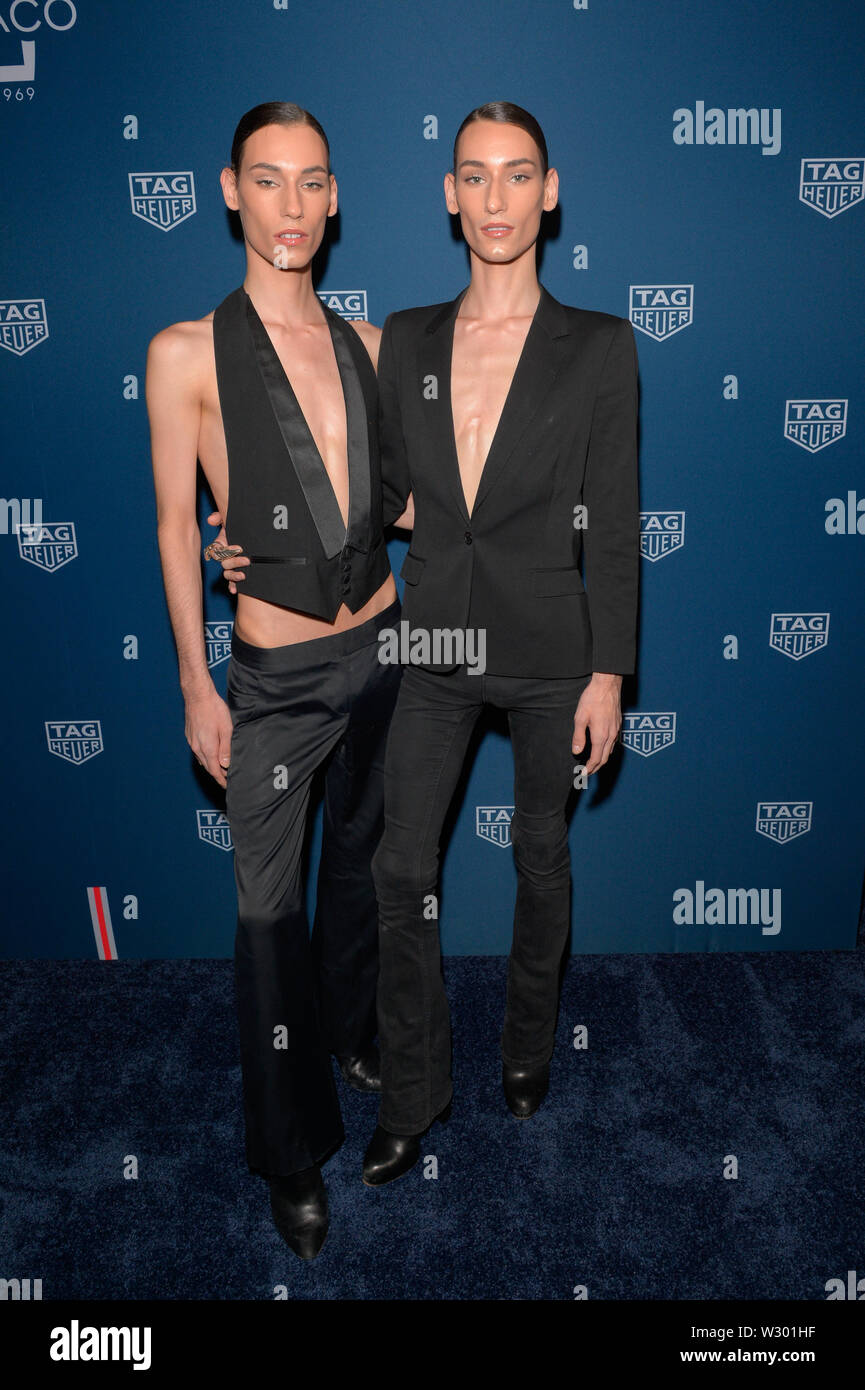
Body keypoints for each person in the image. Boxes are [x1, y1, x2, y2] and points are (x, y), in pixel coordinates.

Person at [216, 101, 640, 1188]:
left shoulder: (597, 345)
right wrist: (267, 538)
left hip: (553, 644)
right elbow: (379, 498)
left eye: (516, 175)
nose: (494, 198)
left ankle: (527, 1053)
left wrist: (608, 671)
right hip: (437, 635)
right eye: (473, 177)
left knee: (538, 857)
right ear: (449, 196)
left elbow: (618, 519)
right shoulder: (407, 338)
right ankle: (411, 1095)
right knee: (402, 868)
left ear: (547, 192)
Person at [145, 102, 404, 1257]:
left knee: (361, 868)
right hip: (278, 674)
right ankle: (292, 1153)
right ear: (229, 191)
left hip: (387, 648)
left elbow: (399, 502)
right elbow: (168, 524)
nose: (291, 206)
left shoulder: (371, 341)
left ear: (334, 197)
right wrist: (201, 688)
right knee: (266, 917)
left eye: (312, 183)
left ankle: (352, 1029)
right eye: (268, 181)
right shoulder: (184, 353)